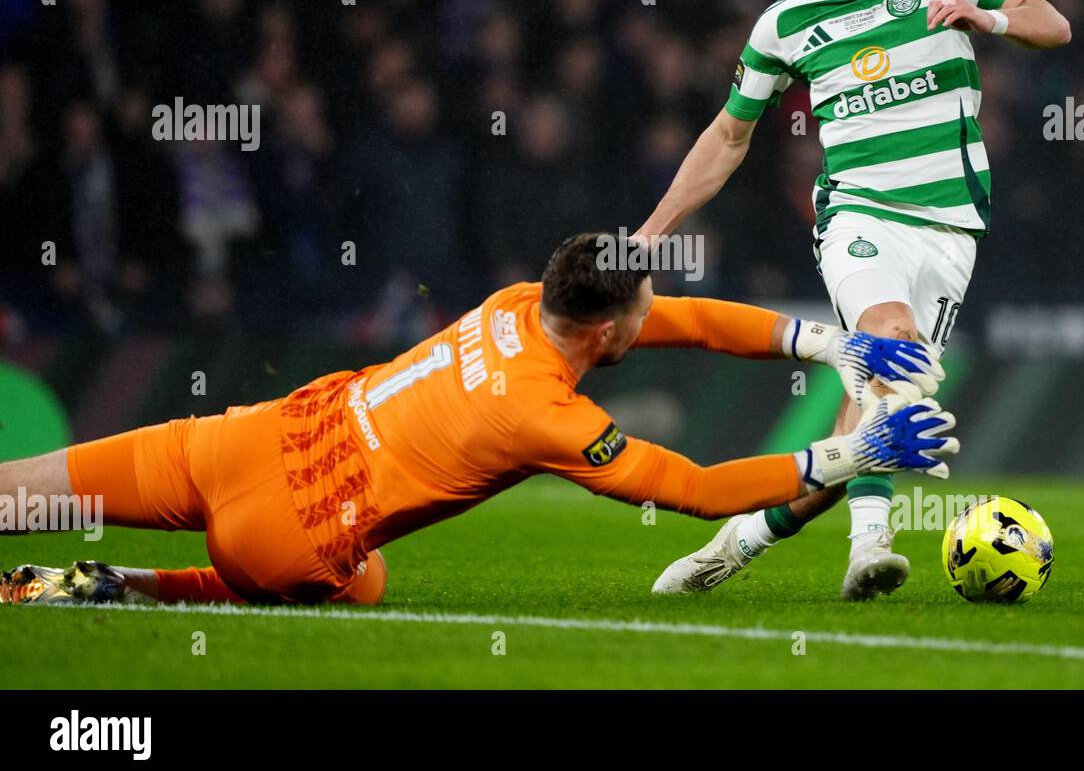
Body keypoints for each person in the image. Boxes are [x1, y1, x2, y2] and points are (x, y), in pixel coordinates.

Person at [1, 233, 956, 606]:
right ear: (611, 326)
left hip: (236, 440)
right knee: (364, 583)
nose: (656, 309)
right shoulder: (547, 415)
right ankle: (122, 587)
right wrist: (854, 448)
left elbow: (694, 322)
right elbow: (700, 491)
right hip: (289, 537)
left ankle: (90, 572)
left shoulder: (516, 300)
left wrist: (827, 344)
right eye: (643, 305)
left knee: (23, 493)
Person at [637, 0, 1071, 599]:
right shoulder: (786, 25)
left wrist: (983, 17)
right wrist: (652, 230)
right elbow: (729, 135)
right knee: (891, 351)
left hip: (951, 227)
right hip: (860, 216)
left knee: (863, 426)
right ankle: (871, 546)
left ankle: (738, 540)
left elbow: (1053, 24)